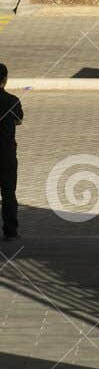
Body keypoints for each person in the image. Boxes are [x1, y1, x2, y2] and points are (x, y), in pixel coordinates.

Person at [0, 64, 24, 241]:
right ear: (5, 79)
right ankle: (10, 231)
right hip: (6, 152)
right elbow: (18, 121)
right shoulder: (12, 100)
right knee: (8, 192)